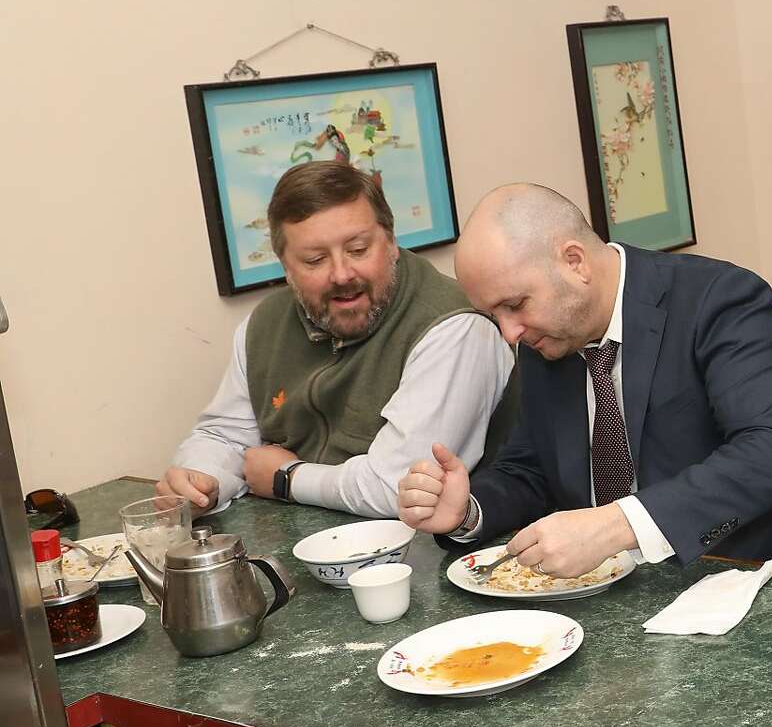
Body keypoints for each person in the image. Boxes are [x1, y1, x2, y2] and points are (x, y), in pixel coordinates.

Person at [397, 183, 772, 577]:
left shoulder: (720, 300)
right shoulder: (545, 337)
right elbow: (532, 467)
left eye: (515, 304)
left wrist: (615, 525)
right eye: (493, 314)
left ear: (574, 262)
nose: (509, 333)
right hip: (641, 600)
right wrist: (468, 511)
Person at [158, 162, 517, 516]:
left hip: (431, 553)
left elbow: (399, 487)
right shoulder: (263, 325)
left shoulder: (455, 328)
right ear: (286, 267)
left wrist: (287, 478)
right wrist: (202, 478)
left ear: (391, 242)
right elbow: (225, 435)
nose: (342, 274)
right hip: (303, 543)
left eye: (358, 250)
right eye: (315, 260)